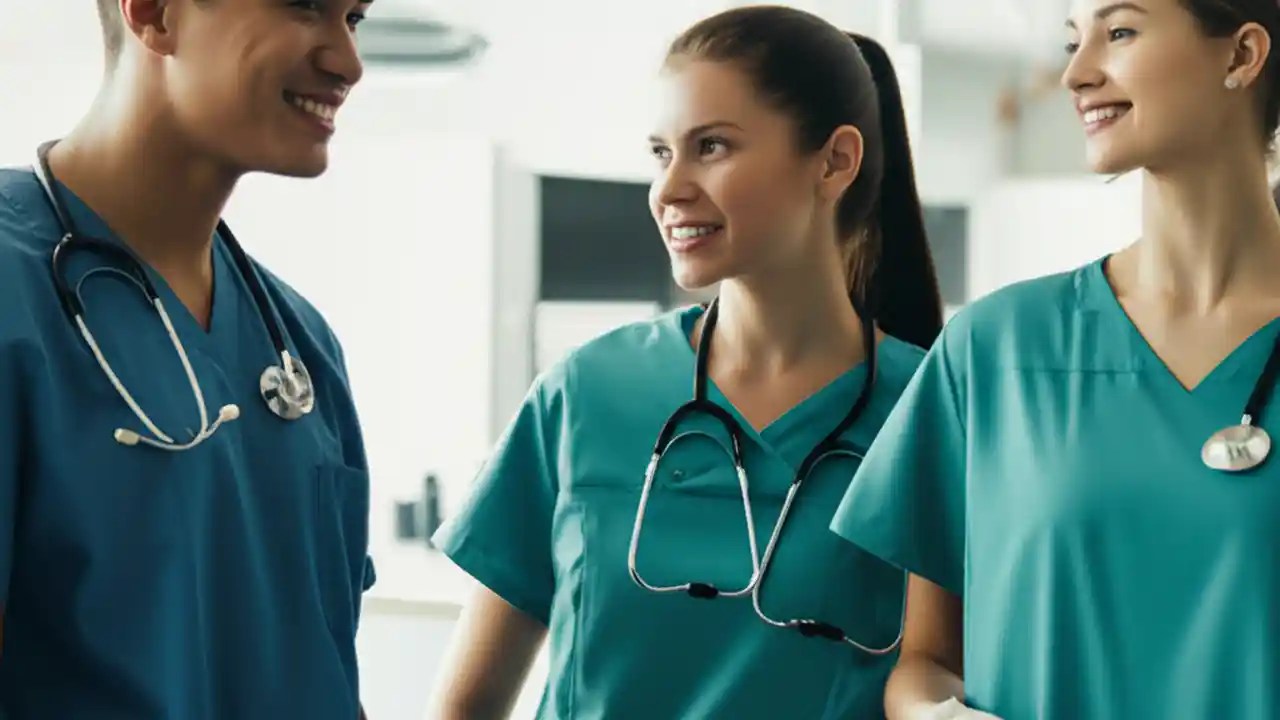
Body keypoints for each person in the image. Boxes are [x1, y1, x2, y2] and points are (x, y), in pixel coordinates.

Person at [428, 6, 944, 719]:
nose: (669, 190)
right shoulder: (587, 394)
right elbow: (464, 708)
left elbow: (949, 674)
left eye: (712, 147)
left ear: (835, 161)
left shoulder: (933, 414)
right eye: (660, 153)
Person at [830, 0, 1280, 718]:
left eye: (1120, 32)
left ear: (1240, 55)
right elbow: (927, 663)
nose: (1076, 73)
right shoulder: (995, 350)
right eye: (1074, 42)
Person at [0, 1, 376, 717]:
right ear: (155, 11)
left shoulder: (301, 348)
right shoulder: (11, 294)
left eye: (353, 18)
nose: (347, 62)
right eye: (304, 7)